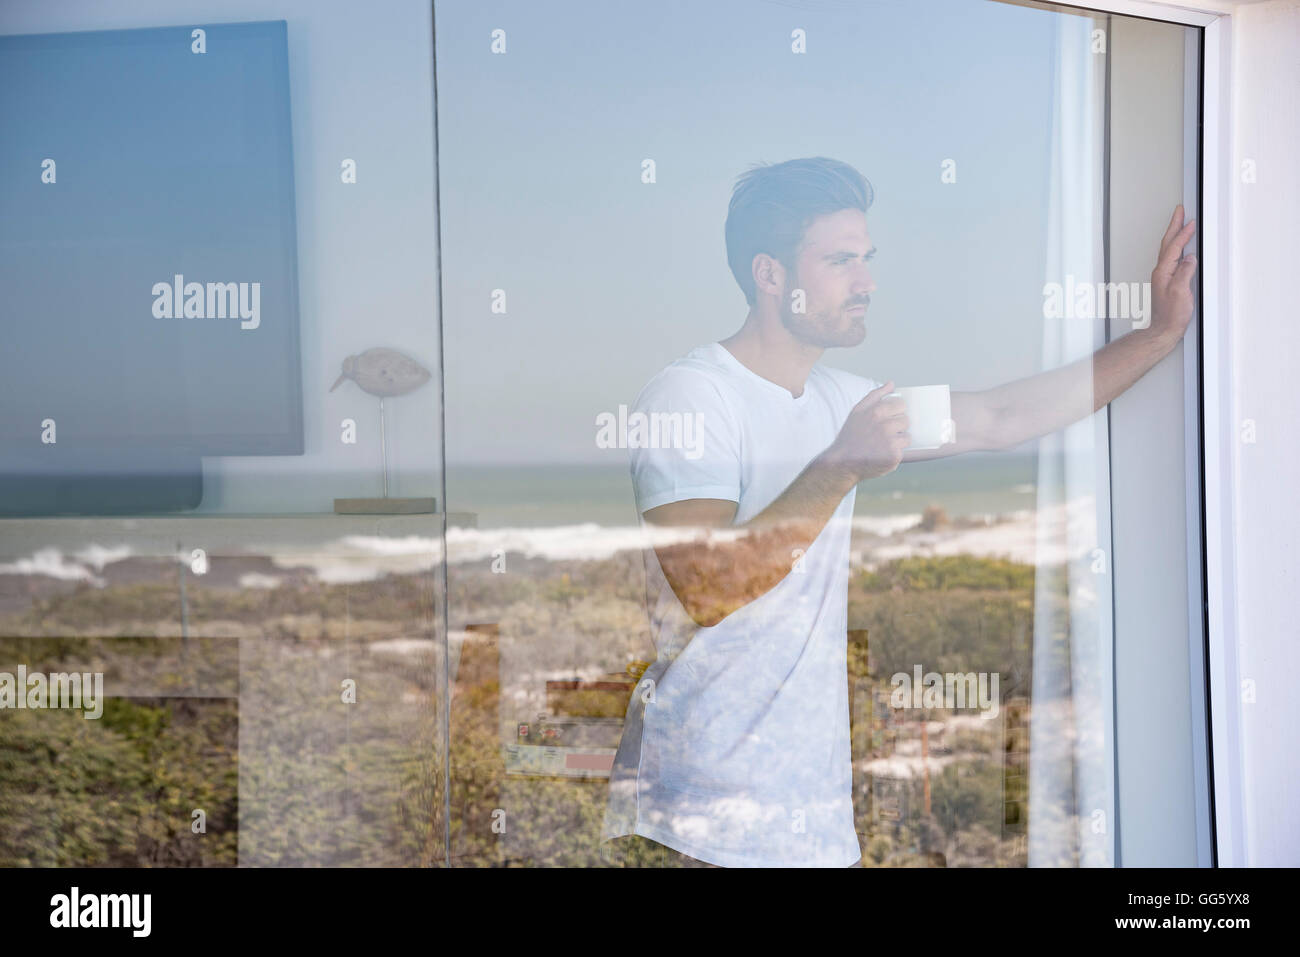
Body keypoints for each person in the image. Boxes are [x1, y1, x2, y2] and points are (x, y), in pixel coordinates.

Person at [602, 156, 1197, 867]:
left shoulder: (838, 398)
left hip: (814, 830)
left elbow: (1000, 416)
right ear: (771, 275)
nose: (867, 282)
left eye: (868, 258)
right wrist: (841, 464)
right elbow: (707, 587)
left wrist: (1158, 336)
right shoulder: (693, 397)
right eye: (841, 260)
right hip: (699, 827)